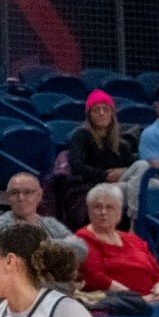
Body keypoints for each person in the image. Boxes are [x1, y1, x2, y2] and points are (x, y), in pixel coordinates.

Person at [76, 184, 159, 302]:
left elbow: (157, 275)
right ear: (89, 211)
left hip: (150, 301)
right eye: (97, 207)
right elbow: (96, 279)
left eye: (110, 207)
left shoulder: (134, 240)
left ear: (119, 213)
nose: (103, 212)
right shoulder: (83, 238)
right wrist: (140, 299)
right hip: (116, 305)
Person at [59, 92, 135, 229]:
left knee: (142, 166)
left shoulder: (121, 142)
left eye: (105, 109)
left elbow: (132, 166)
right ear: (89, 115)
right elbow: (77, 165)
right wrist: (105, 176)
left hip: (119, 187)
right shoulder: (80, 136)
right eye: (96, 110)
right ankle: (134, 221)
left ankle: (136, 219)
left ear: (112, 114)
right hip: (91, 187)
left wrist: (122, 172)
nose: (101, 113)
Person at [0, 174, 88, 259]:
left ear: (39, 195)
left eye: (27, 192)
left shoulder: (50, 223)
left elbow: (81, 248)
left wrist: (42, 245)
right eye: (14, 193)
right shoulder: (0, 224)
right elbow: (23, 251)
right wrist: (61, 246)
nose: (21, 198)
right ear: (8, 197)